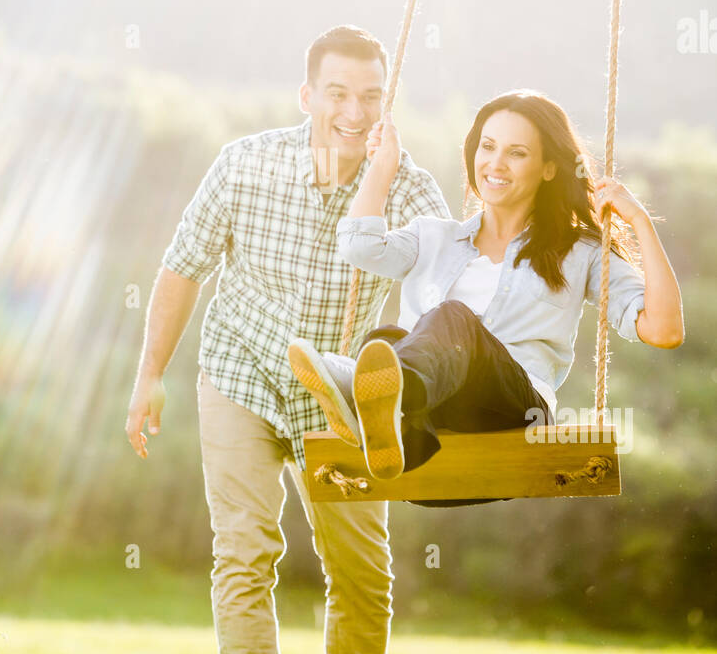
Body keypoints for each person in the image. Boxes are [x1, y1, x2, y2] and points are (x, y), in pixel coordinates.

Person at [125, 25, 450, 654]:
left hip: (337, 396)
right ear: (308, 96)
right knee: (244, 551)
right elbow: (182, 266)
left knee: (362, 568)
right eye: (338, 93)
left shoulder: (411, 191)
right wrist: (150, 374)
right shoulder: (244, 165)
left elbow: (461, 295)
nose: (355, 112)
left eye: (371, 96)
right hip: (240, 371)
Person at [288, 91, 684, 507]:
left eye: (516, 153)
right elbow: (359, 247)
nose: (495, 163)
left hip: (512, 419)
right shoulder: (433, 238)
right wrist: (383, 167)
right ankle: (393, 427)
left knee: (449, 321)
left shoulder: (579, 253)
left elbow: (664, 329)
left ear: (549, 168)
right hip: (433, 446)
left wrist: (639, 220)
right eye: (488, 147)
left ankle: (376, 395)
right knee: (386, 339)